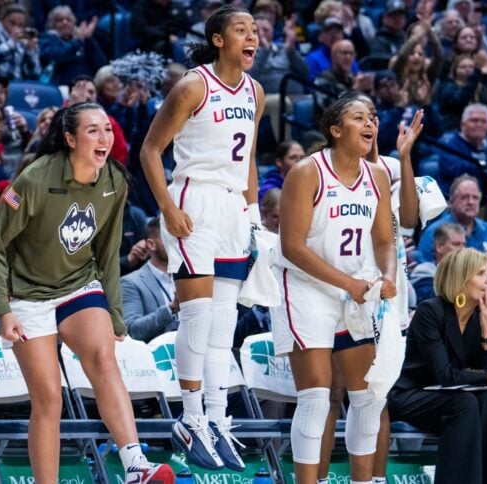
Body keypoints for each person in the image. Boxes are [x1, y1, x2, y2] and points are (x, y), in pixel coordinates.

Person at [0, 102, 175, 483]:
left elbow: (107, 251)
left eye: (107, 129)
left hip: (77, 282)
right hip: (26, 293)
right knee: (49, 399)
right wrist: (3, 310)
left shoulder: (116, 181)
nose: (104, 137)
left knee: (104, 358)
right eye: (92, 130)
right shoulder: (34, 179)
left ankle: (136, 465)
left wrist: (116, 314)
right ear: (70, 139)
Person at [139, 5, 263, 471]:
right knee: (196, 314)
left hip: (233, 205)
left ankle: (217, 418)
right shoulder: (194, 85)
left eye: (255, 30)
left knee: (223, 323)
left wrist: (252, 214)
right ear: (217, 39)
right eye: (241, 30)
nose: (251, 37)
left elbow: (249, 157)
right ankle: (189, 418)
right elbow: (151, 150)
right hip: (194, 199)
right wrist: (168, 210)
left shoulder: (256, 90)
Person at [271, 92, 397, 484]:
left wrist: (388, 274)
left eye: (373, 116)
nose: (370, 124)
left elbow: (383, 240)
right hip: (305, 287)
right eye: (360, 117)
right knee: (316, 397)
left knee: (369, 397)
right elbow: (291, 246)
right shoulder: (308, 171)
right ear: (335, 129)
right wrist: (350, 284)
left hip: (354, 288)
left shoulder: (377, 175)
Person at [388, 248, 487, 484]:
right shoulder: (431, 311)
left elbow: (480, 368)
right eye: (481, 273)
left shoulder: (478, 315)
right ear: (460, 277)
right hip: (410, 395)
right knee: (465, 403)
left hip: (448, 398)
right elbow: (446, 375)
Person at [437, 104, 487, 199]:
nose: (479, 124)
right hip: (463, 202)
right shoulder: (450, 147)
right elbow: (465, 174)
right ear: (462, 124)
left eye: (484, 121)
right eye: (474, 120)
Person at [122, 217, 179, 343]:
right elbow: (132, 331)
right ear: (151, 244)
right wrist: (171, 308)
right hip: (158, 357)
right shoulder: (130, 282)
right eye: (170, 238)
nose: (177, 243)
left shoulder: (189, 276)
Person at [410, 223, 466, 302]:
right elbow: (428, 303)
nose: (462, 249)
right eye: (456, 244)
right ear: (439, 247)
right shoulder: (424, 271)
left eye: (463, 244)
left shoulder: (467, 272)